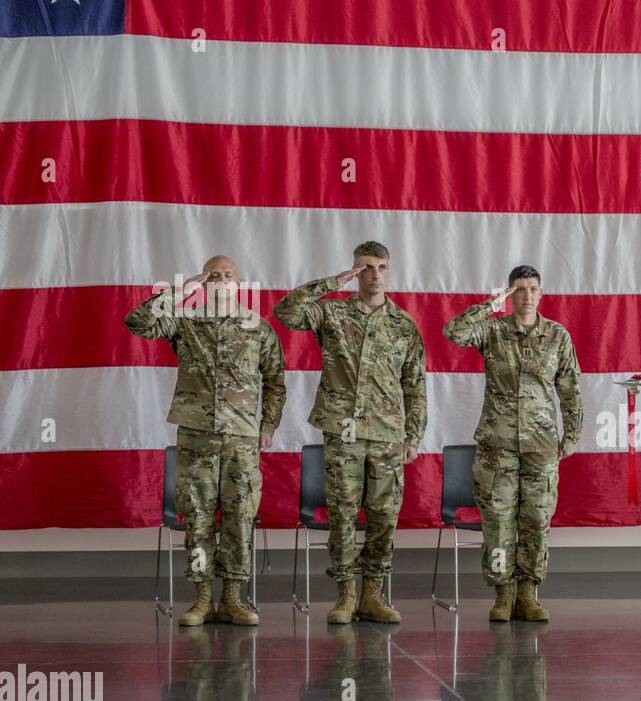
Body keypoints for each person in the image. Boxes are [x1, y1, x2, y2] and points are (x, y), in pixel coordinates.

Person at [126, 256, 285, 626]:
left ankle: (232, 598)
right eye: (214, 275)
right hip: (196, 436)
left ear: (239, 283)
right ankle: (200, 599)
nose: (221, 280)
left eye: (228, 275)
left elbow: (276, 379)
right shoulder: (185, 322)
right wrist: (185, 289)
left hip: (241, 439)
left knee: (239, 518)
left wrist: (269, 425)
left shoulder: (257, 328)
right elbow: (138, 322)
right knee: (197, 518)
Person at [274, 241, 427, 624]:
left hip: (388, 433)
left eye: (379, 267)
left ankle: (372, 594)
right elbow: (285, 312)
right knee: (342, 513)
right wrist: (333, 282)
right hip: (342, 429)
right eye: (364, 268)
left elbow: (415, 384)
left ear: (389, 271)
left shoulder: (403, 324)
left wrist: (414, 434)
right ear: (355, 271)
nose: (373, 275)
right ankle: (345, 595)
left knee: (383, 514)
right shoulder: (332, 312)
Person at [443, 265, 583, 622]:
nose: (526, 295)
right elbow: (454, 332)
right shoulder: (492, 331)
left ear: (541, 293)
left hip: (541, 446)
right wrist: (491, 305)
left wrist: (572, 437)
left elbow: (570, 390)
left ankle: (528, 594)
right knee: (499, 522)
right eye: (518, 289)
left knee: (537, 520)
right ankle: (502, 594)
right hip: (498, 445)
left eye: (532, 288)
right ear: (510, 294)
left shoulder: (557, 336)